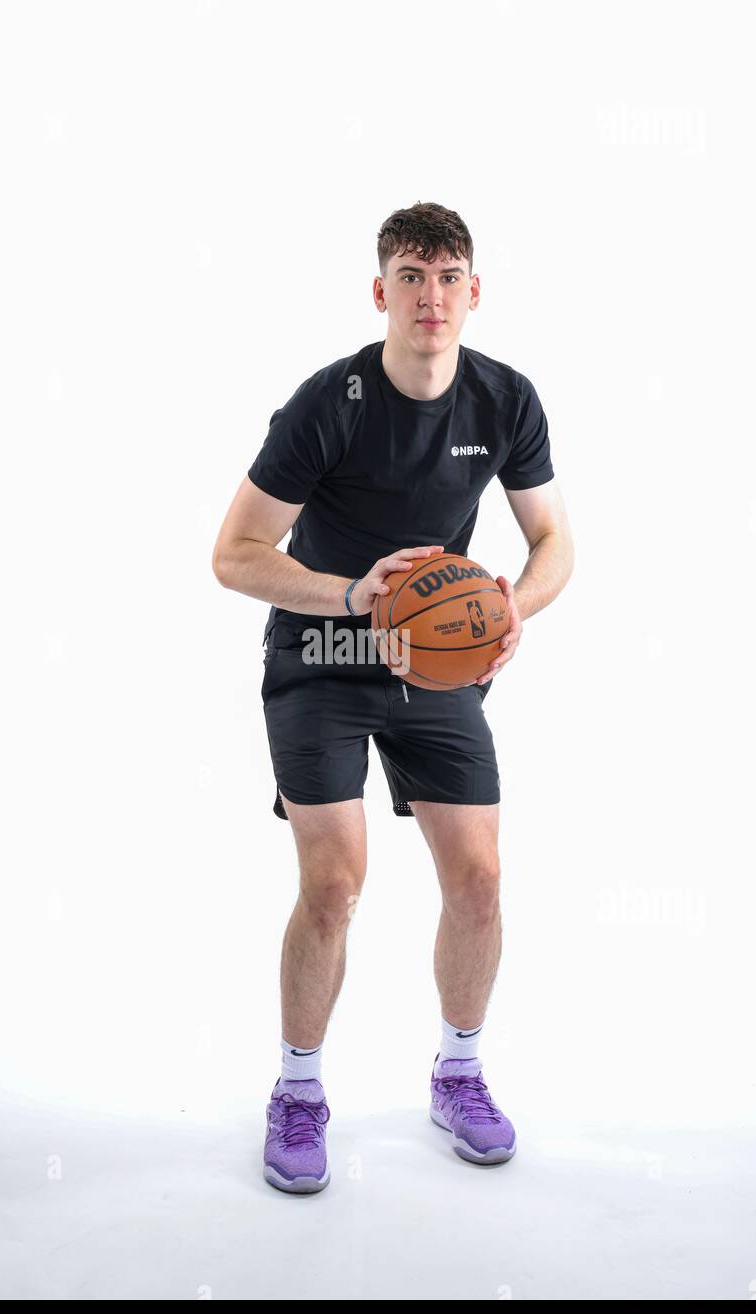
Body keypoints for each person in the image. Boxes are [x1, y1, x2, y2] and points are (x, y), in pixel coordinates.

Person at [212, 201, 574, 1193]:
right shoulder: (328, 404)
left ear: (475, 292)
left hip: (433, 661)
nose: (431, 294)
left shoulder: (505, 400)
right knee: (334, 884)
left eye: (449, 275)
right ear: (382, 292)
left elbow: (555, 543)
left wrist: (511, 608)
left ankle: (459, 1072)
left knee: (482, 879)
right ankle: (297, 1091)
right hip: (322, 652)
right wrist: (350, 596)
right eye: (412, 275)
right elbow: (232, 554)